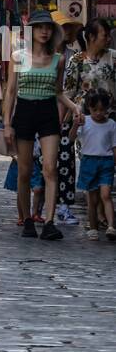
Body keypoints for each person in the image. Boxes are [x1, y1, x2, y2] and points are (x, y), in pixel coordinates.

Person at [2, 10, 83, 240]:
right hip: (25, 111)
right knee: (25, 171)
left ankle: (48, 221)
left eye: (48, 27)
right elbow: (10, 92)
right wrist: (7, 123)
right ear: (32, 31)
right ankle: (27, 219)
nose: (44, 31)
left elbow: (58, 92)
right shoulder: (18, 57)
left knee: (50, 168)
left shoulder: (59, 60)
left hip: (48, 111)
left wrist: (74, 107)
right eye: (39, 27)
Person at [70, 89, 116, 240]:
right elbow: (71, 138)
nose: (98, 113)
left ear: (107, 109)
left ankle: (111, 226)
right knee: (92, 199)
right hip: (89, 161)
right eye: (94, 109)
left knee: (106, 195)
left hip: (106, 162)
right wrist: (76, 125)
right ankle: (93, 226)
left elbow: (114, 146)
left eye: (102, 110)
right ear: (89, 108)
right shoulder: (85, 121)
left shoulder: (111, 125)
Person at [53, 11, 84, 225]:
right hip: (40, 114)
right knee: (42, 165)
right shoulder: (31, 55)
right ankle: (38, 207)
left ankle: (64, 206)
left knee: (65, 162)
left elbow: (71, 89)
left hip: (64, 116)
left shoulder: (74, 56)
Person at [4, 140, 45, 225]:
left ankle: (35, 214)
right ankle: (21, 217)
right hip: (20, 161)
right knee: (21, 191)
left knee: (38, 189)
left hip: (35, 162)